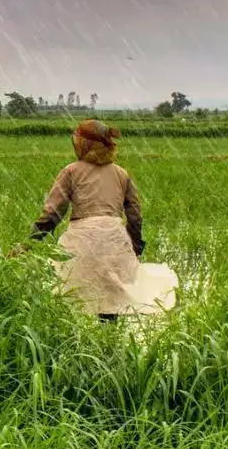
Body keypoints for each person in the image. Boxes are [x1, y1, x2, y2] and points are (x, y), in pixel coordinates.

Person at [22, 120, 177, 320]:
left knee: (70, 298)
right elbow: (135, 216)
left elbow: (53, 214)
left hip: (81, 242)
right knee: (111, 303)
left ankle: (77, 346)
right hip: (114, 240)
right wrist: (135, 248)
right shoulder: (122, 174)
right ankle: (108, 345)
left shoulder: (71, 171)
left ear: (83, 144)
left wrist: (30, 243)